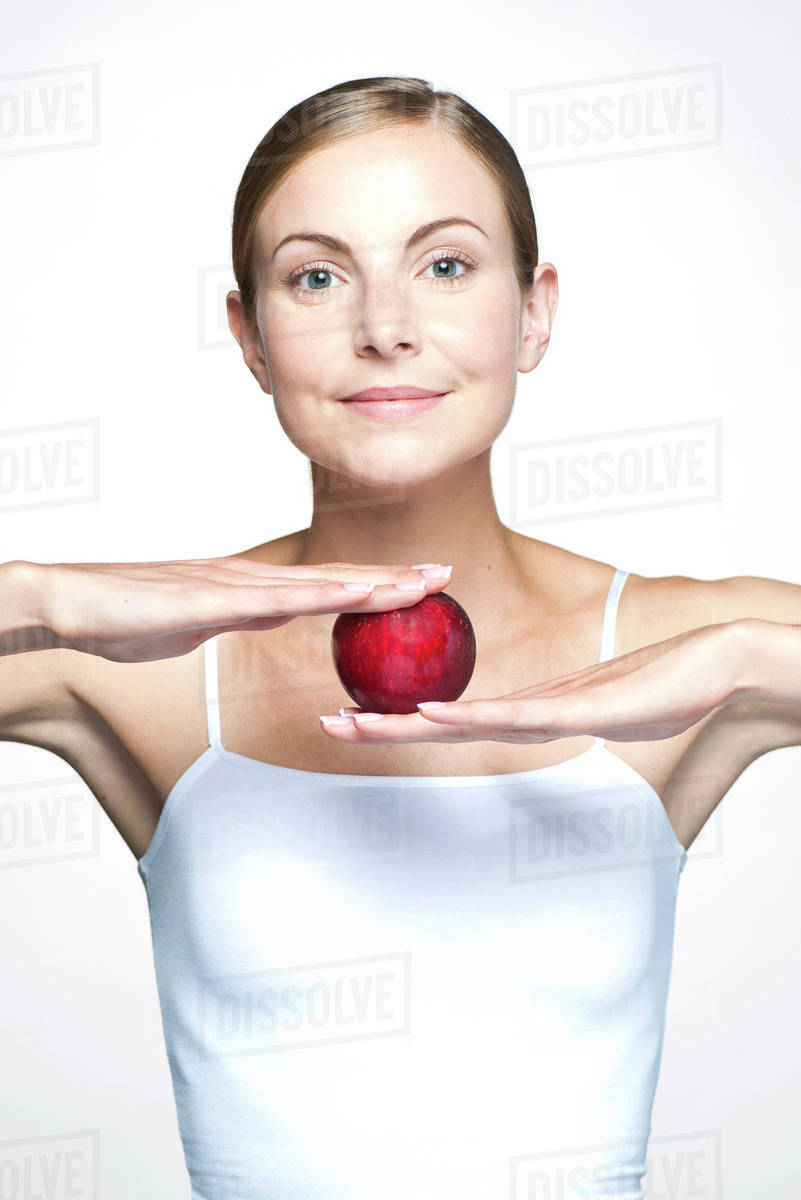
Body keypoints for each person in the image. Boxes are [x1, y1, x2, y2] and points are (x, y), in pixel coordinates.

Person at [2, 74, 801, 1200]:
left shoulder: (691, 644)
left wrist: (757, 660)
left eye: (446, 265)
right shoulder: (141, 672)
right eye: (317, 277)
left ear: (534, 312)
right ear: (250, 337)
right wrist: (38, 596)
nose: (384, 330)